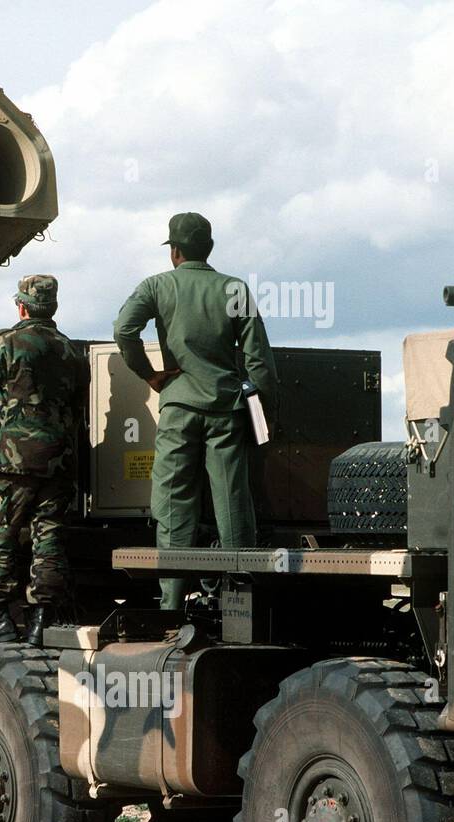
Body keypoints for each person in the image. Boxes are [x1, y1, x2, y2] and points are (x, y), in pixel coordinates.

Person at [114, 212, 278, 609]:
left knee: (173, 500)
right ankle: (240, 601)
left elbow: (123, 330)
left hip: (179, 405)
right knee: (233, 500)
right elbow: (260, 363)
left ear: (174, 251)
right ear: (209, 248)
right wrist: (257, 406)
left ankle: (171, 604)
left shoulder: (157, 285)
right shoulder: (235, 288)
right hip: (226, 409)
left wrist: (150, 375)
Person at [0, 274, 85, 650]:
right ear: (52, 307)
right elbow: (77, 411)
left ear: (21, 306)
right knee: (49, 541)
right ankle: (41, 622)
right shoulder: (71, 352)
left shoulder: (7, 342)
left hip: (9, 464)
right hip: (58, 463)